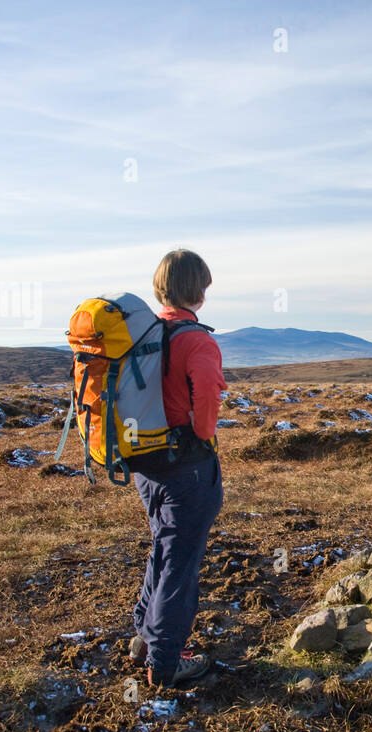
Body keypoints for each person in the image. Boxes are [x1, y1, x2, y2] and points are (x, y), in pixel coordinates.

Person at [126, 249, 226, 688]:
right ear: (198, 290)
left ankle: (145, 640)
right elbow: (206, 404)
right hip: (187, 466)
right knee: (181, 562)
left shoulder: (142, 335)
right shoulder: (195, 340)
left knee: (164, 549)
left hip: (146, 463)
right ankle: (166, 662)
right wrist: (204, 437)